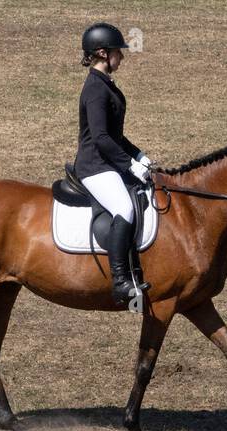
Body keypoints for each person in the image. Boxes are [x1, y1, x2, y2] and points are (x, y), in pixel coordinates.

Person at [74, 22, 152, 303]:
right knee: (124, 207)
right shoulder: (96, 89)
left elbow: (116, 136)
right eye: (119, 51)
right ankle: (120, 281)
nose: (123, 56)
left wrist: (139, 155)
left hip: (108, 161)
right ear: (104, 54)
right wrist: (130, 165)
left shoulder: (105, 84)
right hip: (95, 166)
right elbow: (101, 138)